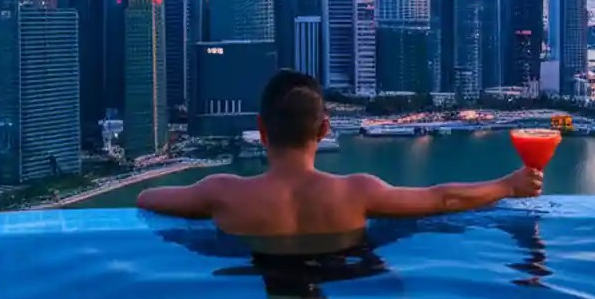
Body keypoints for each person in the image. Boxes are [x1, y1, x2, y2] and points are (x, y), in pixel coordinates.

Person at [138, 70, 543, 236]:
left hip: (263, 278)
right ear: (325, 129)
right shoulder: (357, 192)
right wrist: (508, 186)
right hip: (349, 276)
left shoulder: (221, 192)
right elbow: (444, 199)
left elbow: (146, 197)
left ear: (261, 130)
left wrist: (207, 201)